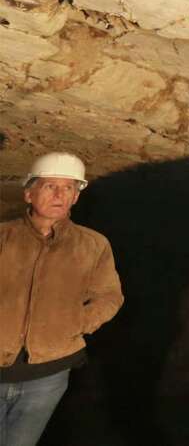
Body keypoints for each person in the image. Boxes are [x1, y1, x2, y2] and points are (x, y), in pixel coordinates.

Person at [0, 152, 124, 446]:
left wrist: (76, 323)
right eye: (50, 186)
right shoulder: (3, 236)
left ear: (76, 197)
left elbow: (109, 296)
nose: (59, 195)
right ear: (29, 194)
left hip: (48, 375)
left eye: (68, 188)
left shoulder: (94, 245)